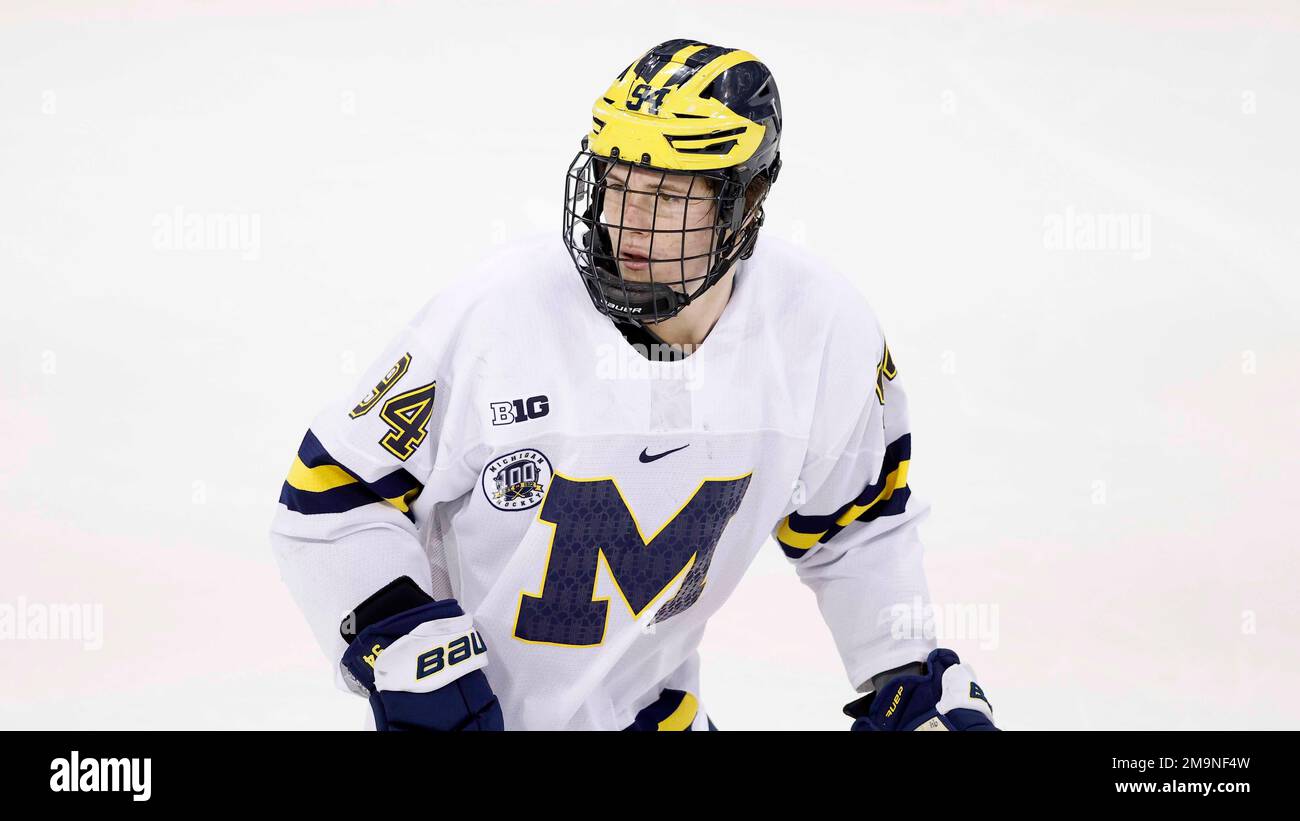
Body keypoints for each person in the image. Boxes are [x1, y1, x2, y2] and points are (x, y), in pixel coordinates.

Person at [270, 38, 997, 731]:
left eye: (670, 194)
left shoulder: (819, 330)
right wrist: (399, 642)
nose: (629, 220)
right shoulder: (500, 316)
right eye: (618, 183)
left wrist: (904, 671)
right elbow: (335, 491)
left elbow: (858, 524)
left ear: (744, 203)